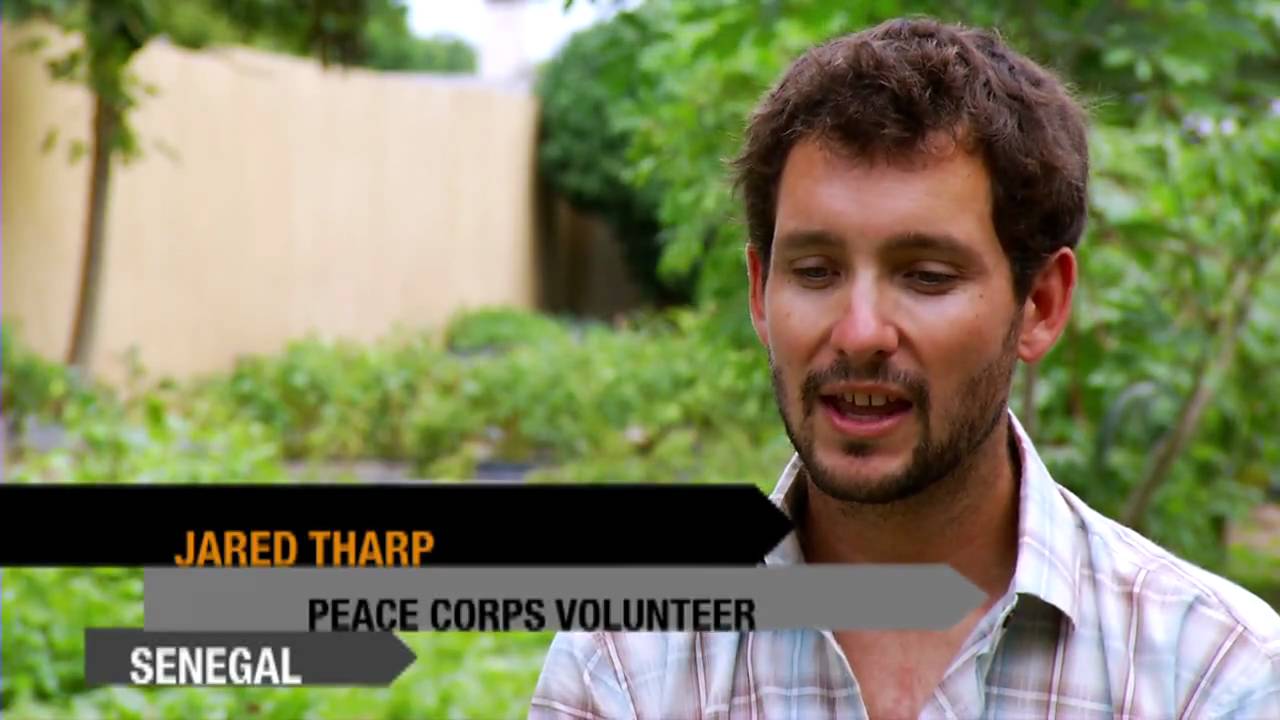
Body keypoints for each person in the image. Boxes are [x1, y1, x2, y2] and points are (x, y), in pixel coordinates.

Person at [529, 16, 1280, 719]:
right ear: (760, 292)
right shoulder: (629, 663)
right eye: (816, 271)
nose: (859, 333)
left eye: (926, 276)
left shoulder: (1211, 677)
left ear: (1041, 306)